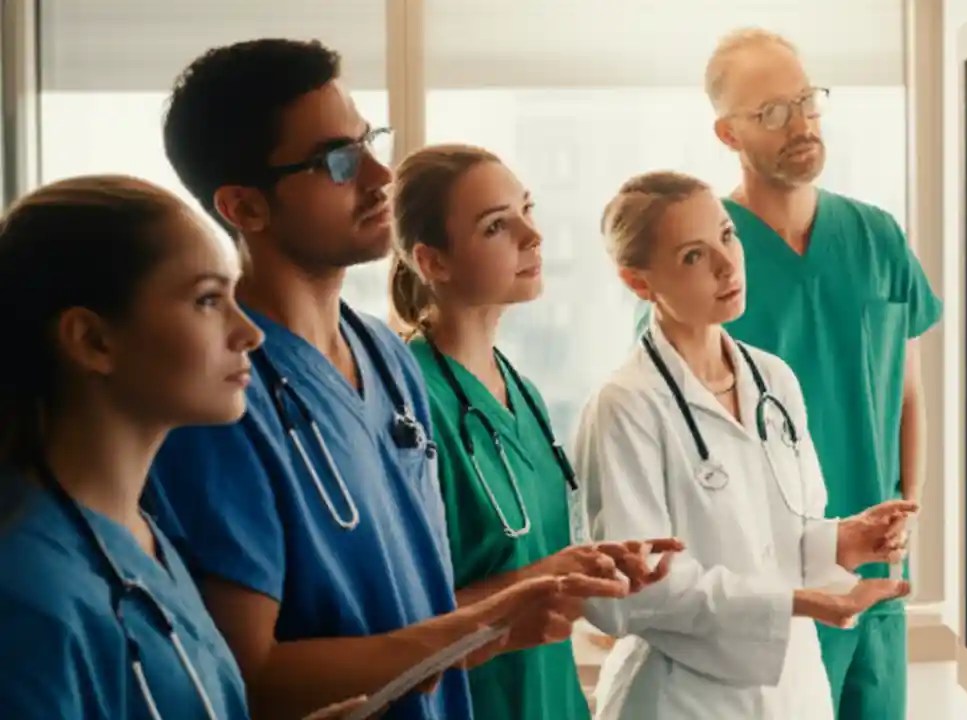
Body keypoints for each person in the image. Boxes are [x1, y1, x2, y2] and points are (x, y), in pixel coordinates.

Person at [141, 40, 628, 720]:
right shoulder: (219, 397)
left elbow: (420, 605)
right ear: (244, 207)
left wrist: (528, 592)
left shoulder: (388, 360)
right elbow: (249, 676)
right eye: (338, 160)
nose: (380, 176)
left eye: (370, 142)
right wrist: (476, 628)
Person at [0, 175, 363, 719]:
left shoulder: (142, 539)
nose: (250, 333)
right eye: (208, 300)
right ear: (93, 341)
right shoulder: (26, 593)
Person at [576, 170, 918, 720]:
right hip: (680, 700)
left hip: (792, 692)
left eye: (727, 237)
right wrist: (797, 602)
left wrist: (845, 541)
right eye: (693, 256)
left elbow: (781, 539)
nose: (726, 264)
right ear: (639, 282)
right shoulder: (627, 406)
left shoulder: (773, 381)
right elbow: (628, 594)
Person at [388, 143, 685, 720]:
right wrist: (543, 576)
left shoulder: (522, 391)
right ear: (433, 262)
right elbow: (403, 623)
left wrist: (588, 566)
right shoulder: (408, 403)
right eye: (497, 225)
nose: (533, 236)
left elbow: (536, 564)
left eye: (528, 210)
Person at [703, 28, 944, 719]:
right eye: (772, 111)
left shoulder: (878, 237)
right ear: (728, 133)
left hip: (877, 570)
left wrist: (907, 510)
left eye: (806, 100)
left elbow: (907, 391)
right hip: (770, 582)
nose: (801, 123)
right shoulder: (706, 255)